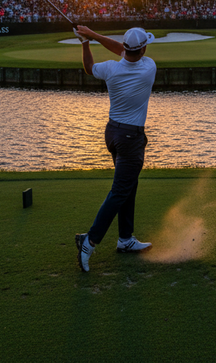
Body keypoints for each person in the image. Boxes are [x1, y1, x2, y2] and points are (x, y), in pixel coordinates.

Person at [74, 26, 157, 272]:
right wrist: (92, 34)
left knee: (128, 185)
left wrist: (86, 41)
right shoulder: (149, 67)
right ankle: (89, 241)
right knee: (120, 190)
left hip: (112, 133)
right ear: (143, 50)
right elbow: (125, 50)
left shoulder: (110, 68)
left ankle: (125, 239)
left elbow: (89, 68)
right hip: (131, 139)